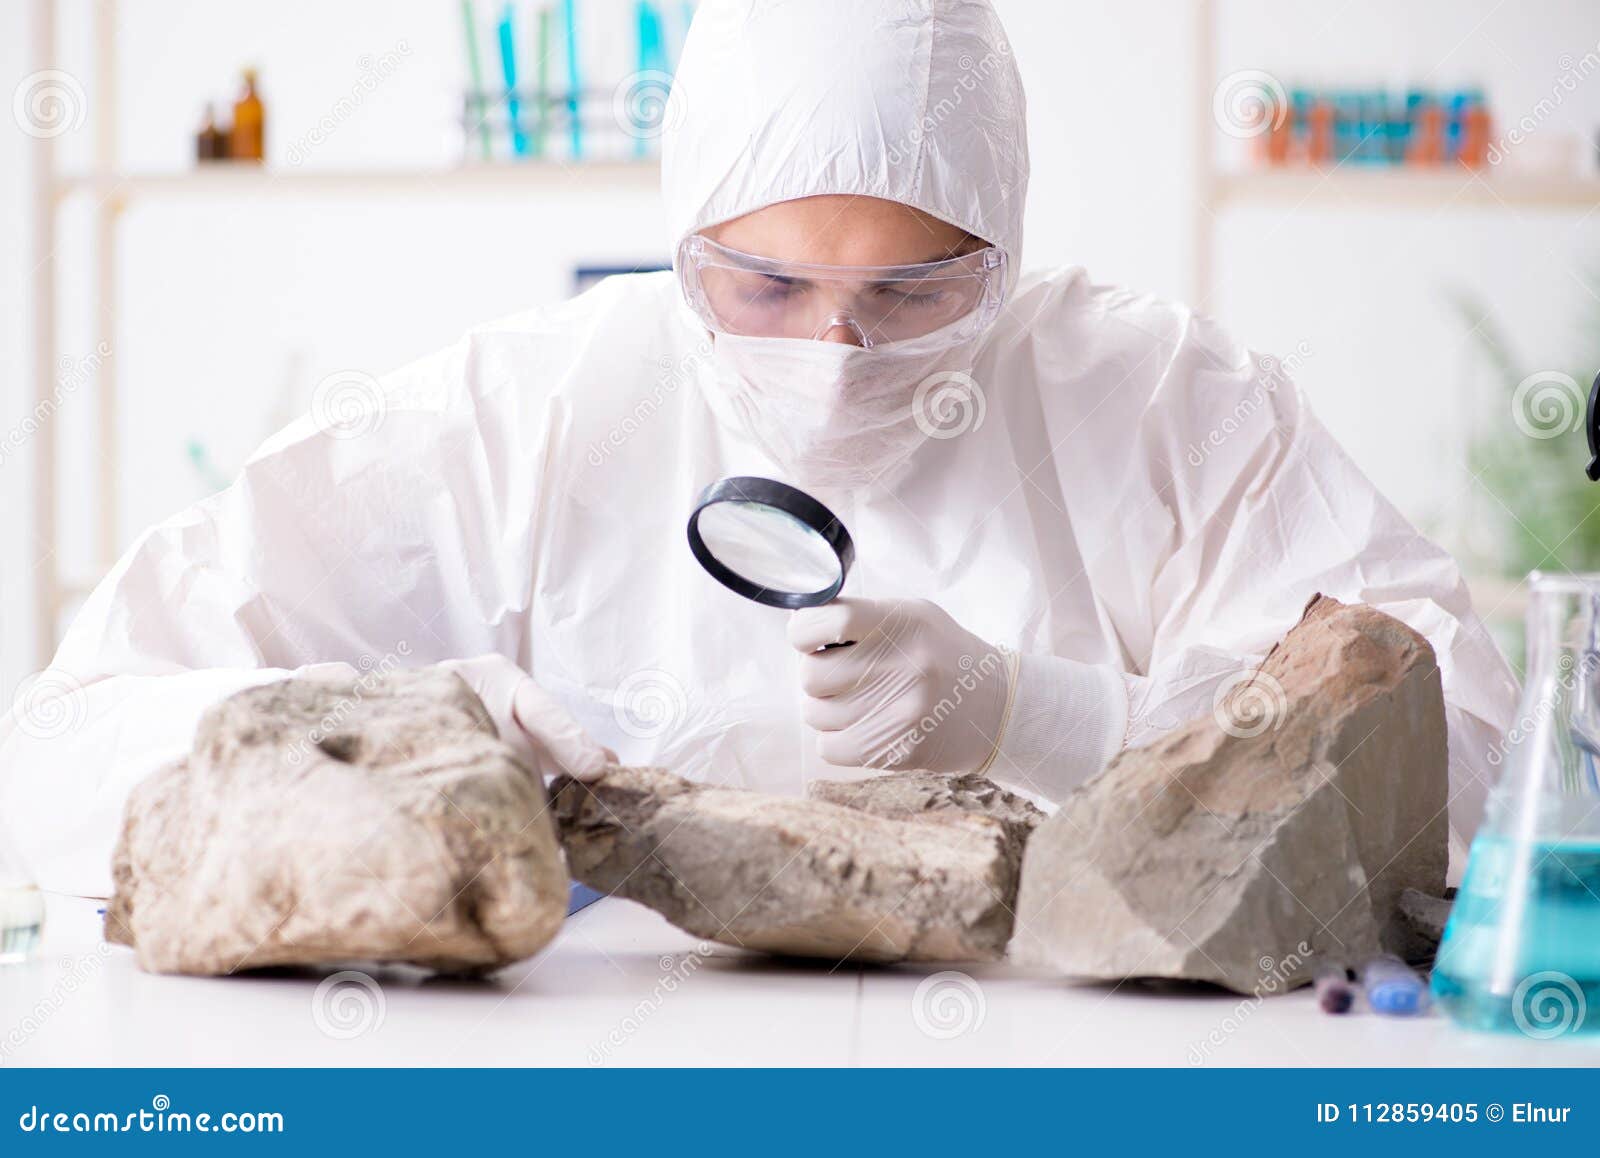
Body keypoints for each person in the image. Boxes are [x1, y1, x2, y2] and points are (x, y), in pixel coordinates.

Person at [1, 0, 1516, 898]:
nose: (837, 352)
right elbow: (57, 753)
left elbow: (1479, 784)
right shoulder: (517, 416)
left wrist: (1047, 715)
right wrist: (381, 724)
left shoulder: (1171, 399)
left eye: (916, 292)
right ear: (679, 248)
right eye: (766, 286)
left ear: (1010, 252)